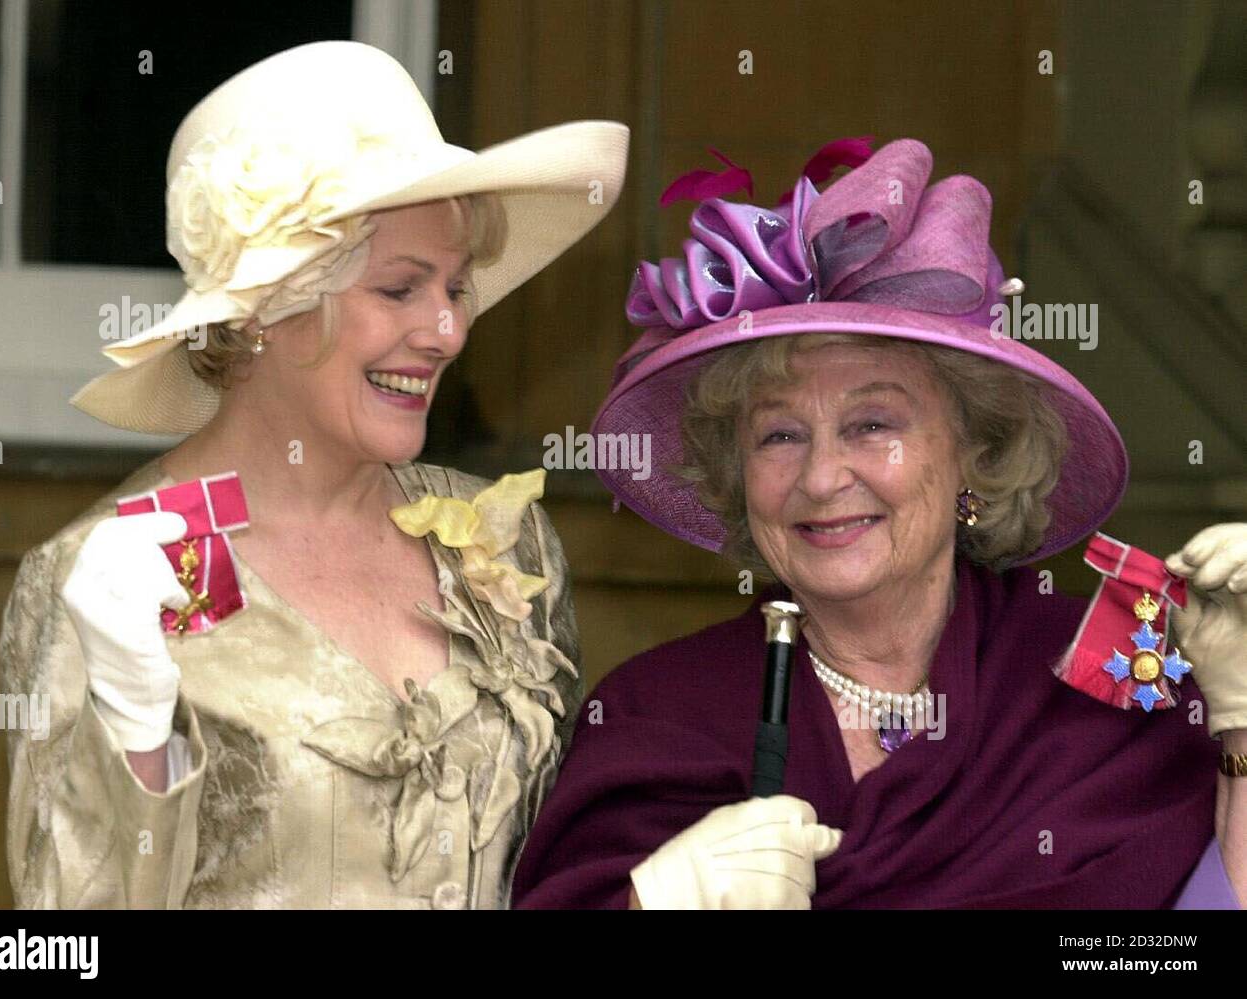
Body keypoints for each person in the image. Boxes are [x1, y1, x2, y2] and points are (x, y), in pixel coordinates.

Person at [511, 138, 1247, 909]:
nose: (823, 478)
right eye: (779, 434)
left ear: (975, 451)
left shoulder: (1103, 686)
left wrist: (1240, 730)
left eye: (872, 424)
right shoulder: (658, 714)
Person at [0, 40, 628, 909]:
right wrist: (138, 745)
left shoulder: (505, 543)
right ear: (267, 309)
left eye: (456, 287)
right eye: (401, 290)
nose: (446, 331)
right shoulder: (114, 578)